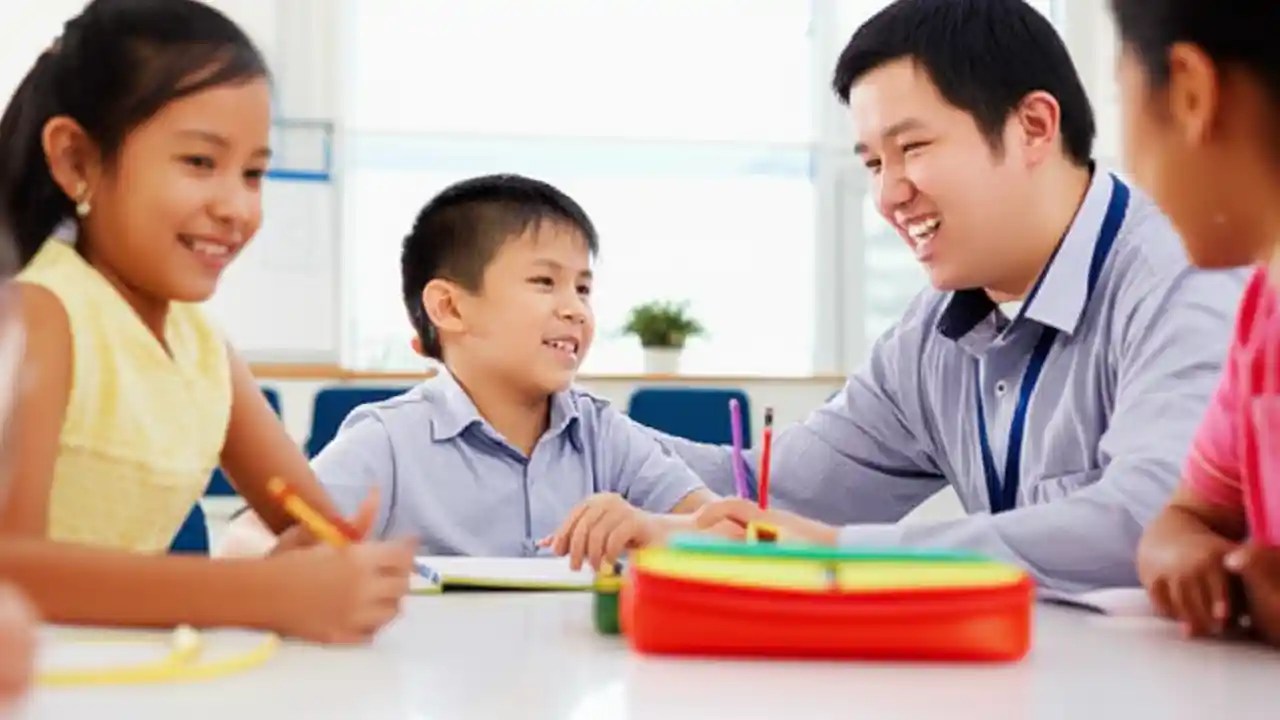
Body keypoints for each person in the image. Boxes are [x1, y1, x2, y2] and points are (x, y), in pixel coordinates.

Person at [671, 0, 1246, 593]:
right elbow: (775, 489)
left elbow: (1147, 521)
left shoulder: (1183, 278)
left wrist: (845, 551)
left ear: (1034, 127)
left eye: (912, 149)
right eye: (872, 162)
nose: (889, 194)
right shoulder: (932, 334)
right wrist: (581, 427)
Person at [0, 0, 412, 644]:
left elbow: (311, 521)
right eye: (199, 162)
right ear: (77, 161)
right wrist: (258, 593)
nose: (237, 207)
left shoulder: (205, 352)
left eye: (254, 173)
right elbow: (9, 572)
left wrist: (328, 557)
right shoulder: (42, 316)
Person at [225, 174, 716, 571]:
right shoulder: (388, 441)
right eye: (545, 282)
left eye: (583, 288)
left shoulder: (605, 435)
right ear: (449, 308)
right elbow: (245, 538)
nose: (576, 310)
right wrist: (307, 562)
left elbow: (734, 531)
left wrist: (653, 527)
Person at [1108, 0, 1280, 645]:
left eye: (1118, 87)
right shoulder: (1262, 312)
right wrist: (1184, 556)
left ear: (1188, 92)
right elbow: (1187, 514)